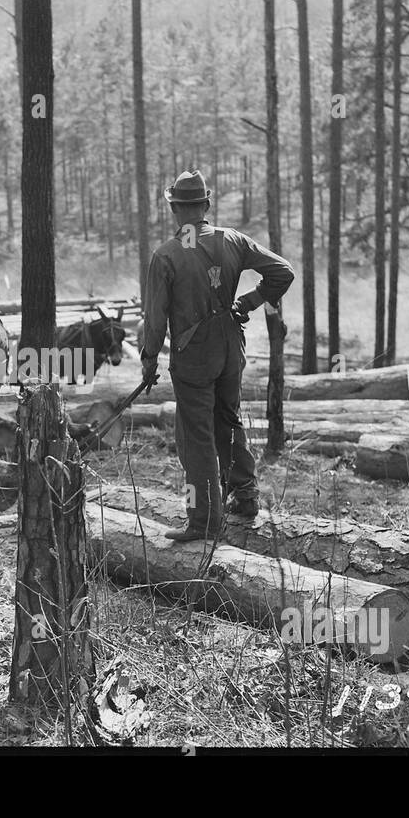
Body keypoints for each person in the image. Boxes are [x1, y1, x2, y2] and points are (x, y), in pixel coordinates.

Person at [140, 170, 295, 541]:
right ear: (206, 205)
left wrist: (148, 361)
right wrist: (250, 301)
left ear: (175, 209)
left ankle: (202, 520)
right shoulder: (233, 240)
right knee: (228, 420)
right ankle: (245, 496)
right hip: (230, 348)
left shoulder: (166, 256)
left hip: (194, 354)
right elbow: (283, 273)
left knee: (196, 436)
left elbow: (155, 319)